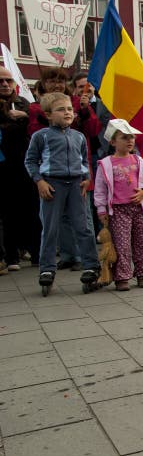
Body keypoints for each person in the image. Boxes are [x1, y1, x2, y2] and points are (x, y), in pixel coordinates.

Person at [24, 93, 99, 290]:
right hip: (52, 185)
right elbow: (30, 161)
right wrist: (39, 181)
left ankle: (91, 265)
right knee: (50, 228)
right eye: (60, 109)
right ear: (48, 115)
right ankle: (47, 268)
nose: (67, 113)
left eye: (69, 109)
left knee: (83, 227)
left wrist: (86, 178)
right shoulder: (41, 136)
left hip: (76, 185)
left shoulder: (79, 136)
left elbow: (84, 160)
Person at [94, 120, 143, 291]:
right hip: (118, 210)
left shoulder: (139, 161)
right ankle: (122, 276)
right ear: (113, 142)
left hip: (139, 208)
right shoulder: (105, 164)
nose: (130, 140)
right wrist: (101, 209)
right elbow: (99, 189)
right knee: (121, 243)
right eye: (124, 137)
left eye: (131, 137)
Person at [0, 66, 39, 271]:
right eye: (1, 81)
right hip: (3, 166)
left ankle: (35, 252)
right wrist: (8, 118)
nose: (5, 85)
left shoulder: (24, 103)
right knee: (7, 213)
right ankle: (10, 255)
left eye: (9, 80)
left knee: (31, 209)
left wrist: (22, 116)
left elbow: (32, 126)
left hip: (24, 164)